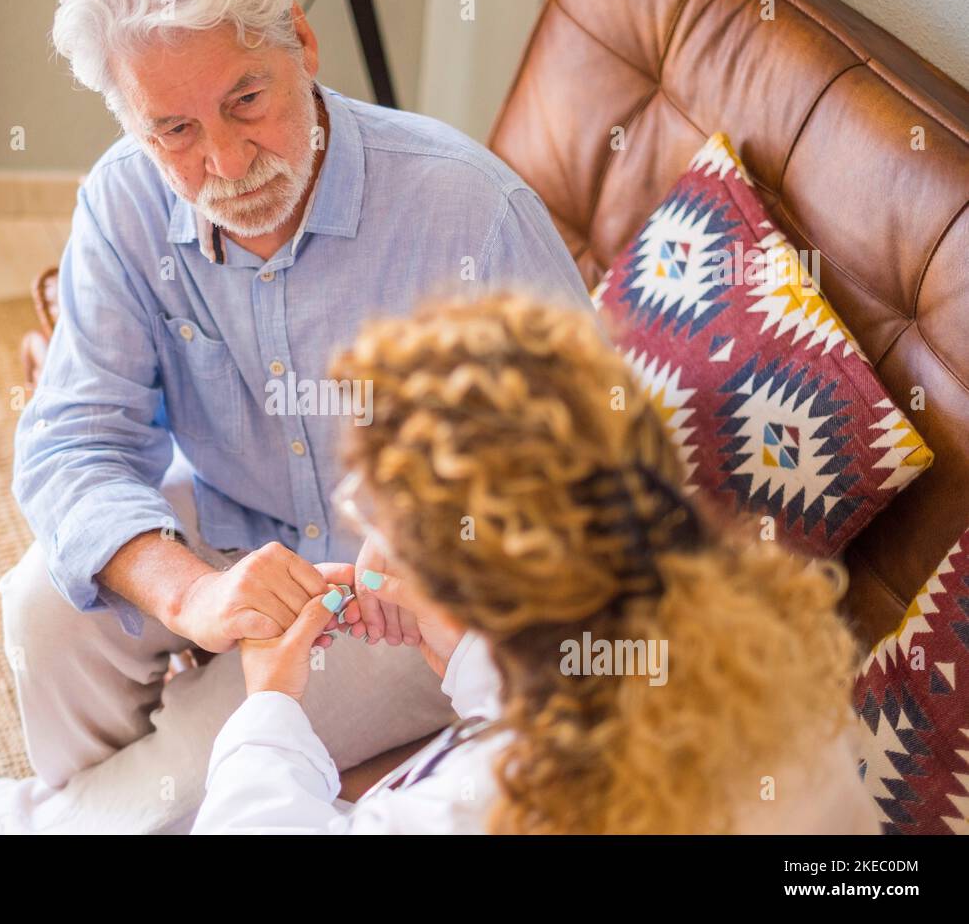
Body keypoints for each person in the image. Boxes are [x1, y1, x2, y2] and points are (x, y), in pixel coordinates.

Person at [0, 0, 589, 834]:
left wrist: (449, 539)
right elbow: (73, 442)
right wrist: (192, 598)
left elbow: (595, 480)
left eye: (247, 100)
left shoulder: (472, 211)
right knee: (42, 612)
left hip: (399, 604)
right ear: (133, 122)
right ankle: (91, 810)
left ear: (300, 44)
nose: (227, 163)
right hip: (231, 512)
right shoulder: (122, 198)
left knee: (197, 768)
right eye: (174, 129)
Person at [192, 293, 881, 834]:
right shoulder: (765, 661)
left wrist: (271, 707)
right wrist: (472, 654)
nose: (363, 523)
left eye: (380, 515)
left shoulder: (490, 804)